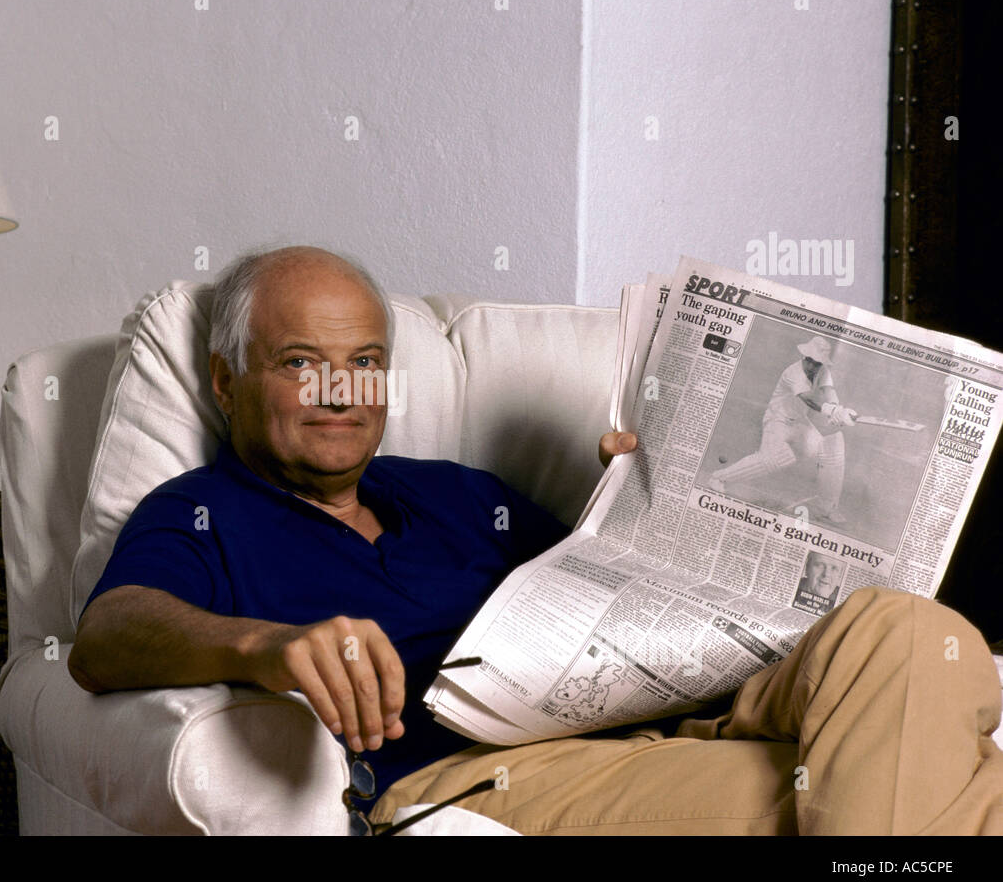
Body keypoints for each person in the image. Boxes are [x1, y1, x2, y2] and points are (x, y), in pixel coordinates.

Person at [68, 246, 1003, 835]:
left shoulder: (461, 495)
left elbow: (612, 601)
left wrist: (655, 501)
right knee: (937, 796)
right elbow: (107, 636)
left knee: (911, 634)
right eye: (301, 364)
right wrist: (264, 644)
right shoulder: (202, 512)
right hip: (482, 778)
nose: (342, 392)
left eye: (365, 363)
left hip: (677, 714)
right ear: (228, 384)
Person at [709, 335, 853, 523]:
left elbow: (829, 391)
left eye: (817, 363)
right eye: (810, 360)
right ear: (805, 356)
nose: (813, 366)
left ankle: (826, 507)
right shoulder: (792, 373)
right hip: (777, 422)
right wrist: (830, 409)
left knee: (833, 444)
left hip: (799, 424)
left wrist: (837, 408)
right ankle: (719, 478)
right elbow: (808, 398)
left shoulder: (822, 370)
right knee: (777, 459)